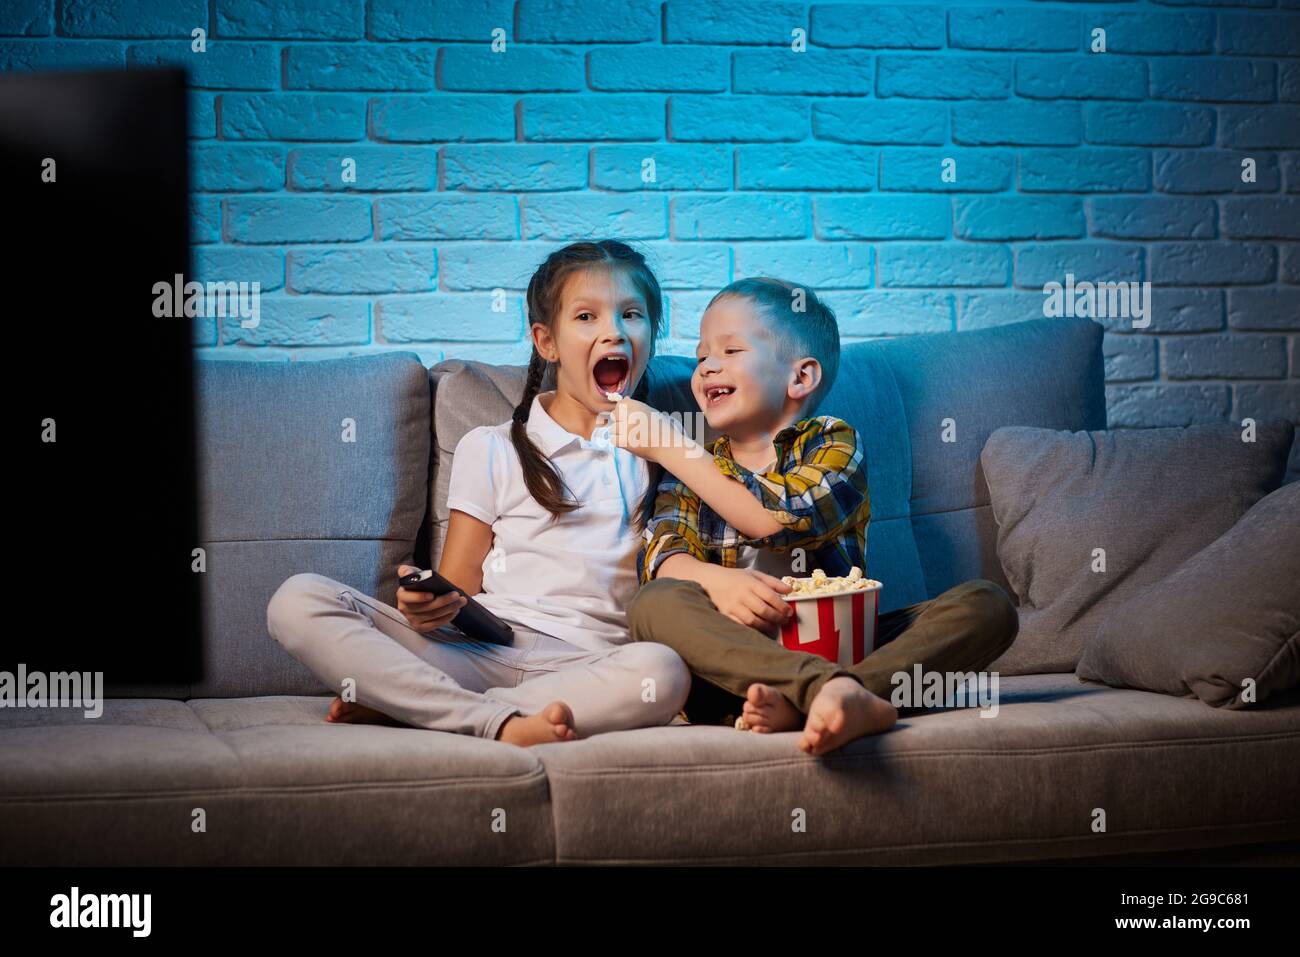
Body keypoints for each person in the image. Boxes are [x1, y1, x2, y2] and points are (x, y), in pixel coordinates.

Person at [266, 240, 690, 747]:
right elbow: (458, 586)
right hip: (482, 654)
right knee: (298, 598)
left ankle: (421, 708)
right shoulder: (491, 448)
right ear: (546, 341)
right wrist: (429, 606)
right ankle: (493, 720)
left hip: (591, 664)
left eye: (631, 315)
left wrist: (674, 451)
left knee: (663, 672)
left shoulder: (670, 450)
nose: (613, 331)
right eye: (586, 316)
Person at [610, 277, 1019, 756]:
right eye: (701, 356)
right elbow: (664, 558)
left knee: (987, 605)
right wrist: (718, 584)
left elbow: (775, 519)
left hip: (843, 644)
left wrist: (669, 445)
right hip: (735, 666)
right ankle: (836, 693)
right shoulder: (694, 467)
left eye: (731, 350)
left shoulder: (833, 444)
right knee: (653, 605)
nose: (707, 366)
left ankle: (820, 696)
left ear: (800, 378)